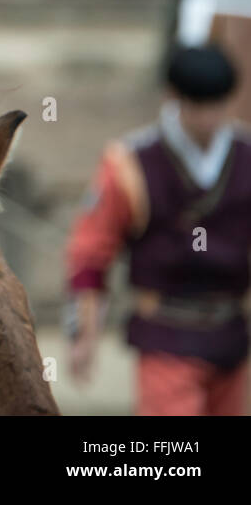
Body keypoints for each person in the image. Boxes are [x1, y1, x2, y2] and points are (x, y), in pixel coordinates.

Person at [66, 44, 251, 415]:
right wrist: (83, 337)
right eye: (197, 104)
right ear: (174, 98)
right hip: (166, 334)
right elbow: (90, 253)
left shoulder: (246, 154)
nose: (208, 117)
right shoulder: (131, 161)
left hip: (231, 332)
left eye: (217, 104)